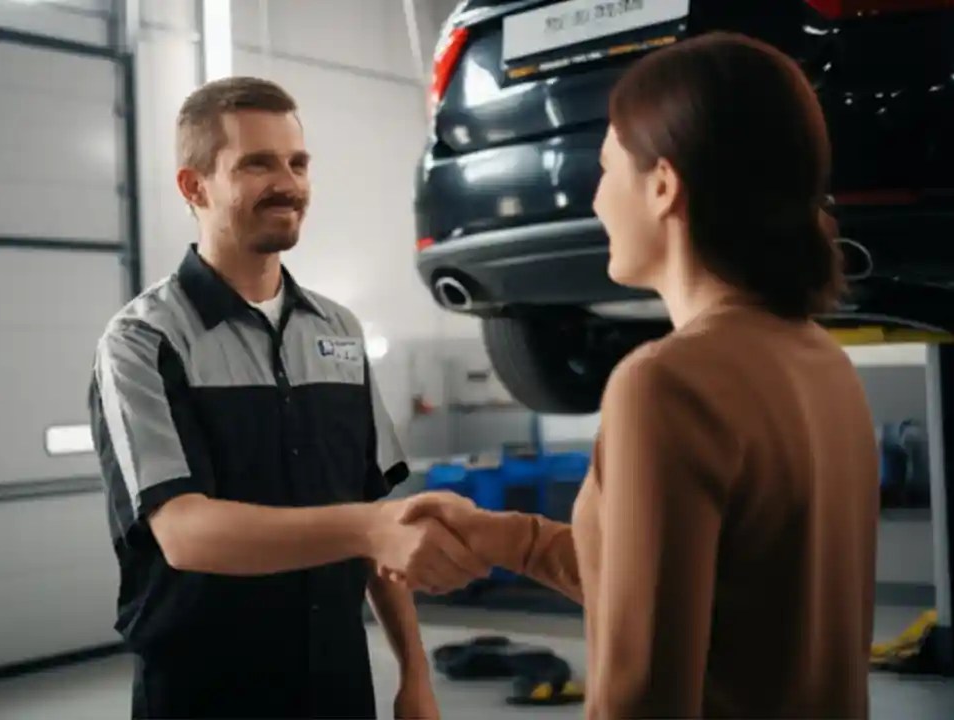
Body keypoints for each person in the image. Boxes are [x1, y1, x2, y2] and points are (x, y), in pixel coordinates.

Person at [400, 32, 880, 719]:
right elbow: (685, 587)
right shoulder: (821, 363)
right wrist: (510, 539)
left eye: (605, 169)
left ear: (662, 186)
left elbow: (641, 690)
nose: (595, 202)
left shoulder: (666, 384)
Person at [87, 76, 489, 719]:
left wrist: (416, 674)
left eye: (297, 163)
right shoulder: (143, 340)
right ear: (194, 186)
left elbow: (371, 510)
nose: (289, 183)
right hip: (205, 695)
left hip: (336, 685)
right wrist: (372, 527)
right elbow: (186, 535)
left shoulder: (339, 333)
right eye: (257, 163)